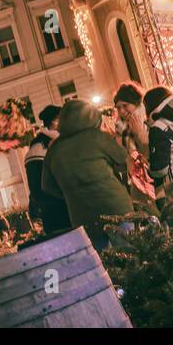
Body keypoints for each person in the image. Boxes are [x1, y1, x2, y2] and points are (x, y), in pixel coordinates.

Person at [41, 99, 133, 249]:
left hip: (83, 215)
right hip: (116, 206)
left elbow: (47, 186)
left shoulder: (54, 149)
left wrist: (71, 192)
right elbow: (125, 161)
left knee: (103, 262)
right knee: (131, 254)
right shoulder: (97, 137)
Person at [25, 104, 72, 235]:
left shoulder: (62, 142)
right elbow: (37, 188)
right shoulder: (39, 148)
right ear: (54, 122)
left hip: (71, 209)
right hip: (58, 215)